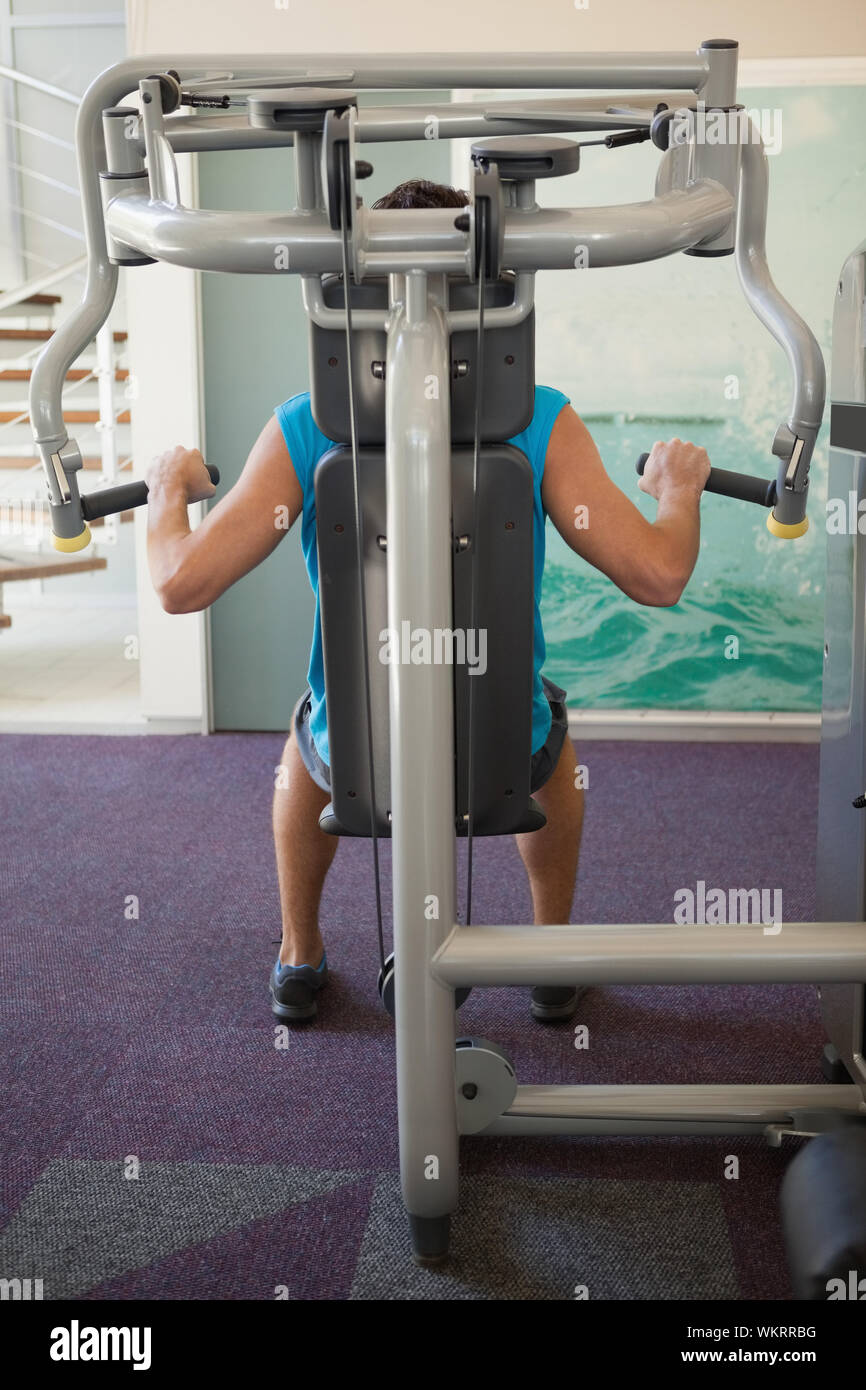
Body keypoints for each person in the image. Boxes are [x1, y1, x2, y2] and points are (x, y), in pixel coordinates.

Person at [145, 177, 711, 1025]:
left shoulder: (307, 426)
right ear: (483, 290)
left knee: (310, 729)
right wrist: (680, 489)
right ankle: (551, 956)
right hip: (500, 749)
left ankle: (299, 955)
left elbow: (178, 583)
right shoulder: (541, 421)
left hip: (358, 755)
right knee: (550, 734)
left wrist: (167, 488)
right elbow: (659, 576)